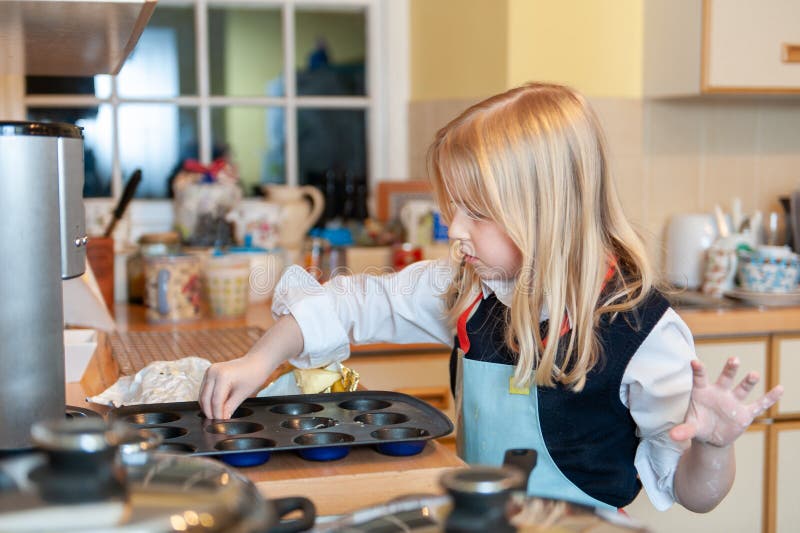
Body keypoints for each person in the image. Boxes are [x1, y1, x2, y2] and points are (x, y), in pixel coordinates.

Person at [200, 83, 783, 513]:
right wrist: (260, 358)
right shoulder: (467, 289)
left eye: (476, 214)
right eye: (451, 209)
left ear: (547, 213)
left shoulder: (640, 331)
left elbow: (695, 496)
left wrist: (711, 446)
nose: (453, 230)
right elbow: (348, 302)